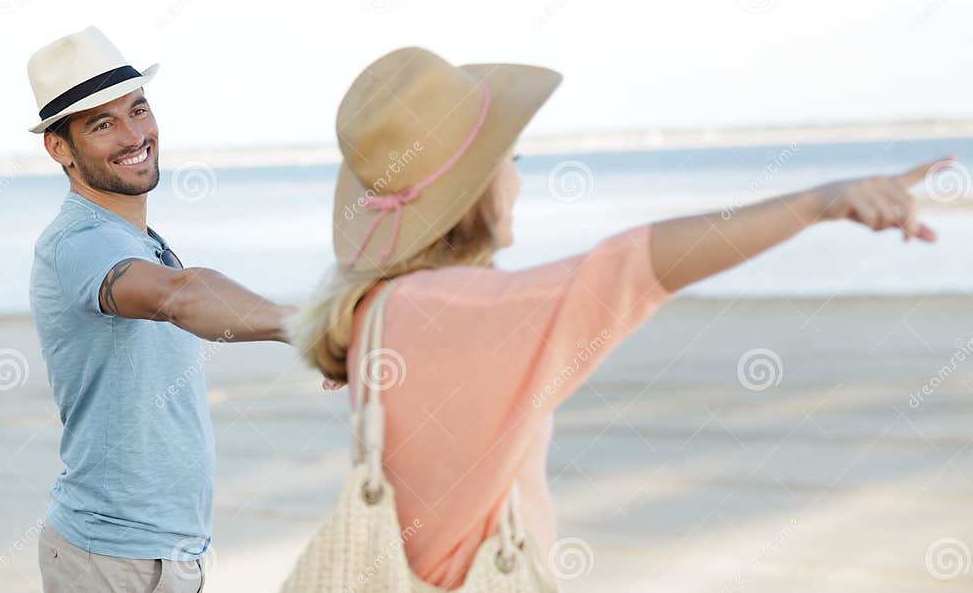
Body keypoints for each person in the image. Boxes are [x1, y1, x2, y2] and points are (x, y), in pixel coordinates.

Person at [290, 46, 955, 589]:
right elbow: (638, 264)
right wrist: (819, 203)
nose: (518, 180)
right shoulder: (461, 312)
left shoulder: (377, 309)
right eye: (511, 161)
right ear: (476, 189)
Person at [27, 26, 297, 592]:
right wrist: (308, 326)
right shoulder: (78, 242)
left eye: (138, 110)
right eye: (102, 124)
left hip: (163, 553)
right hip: (112, 558)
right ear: (60, 148)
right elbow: (180, 296)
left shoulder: (135, 238)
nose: (134, 135)